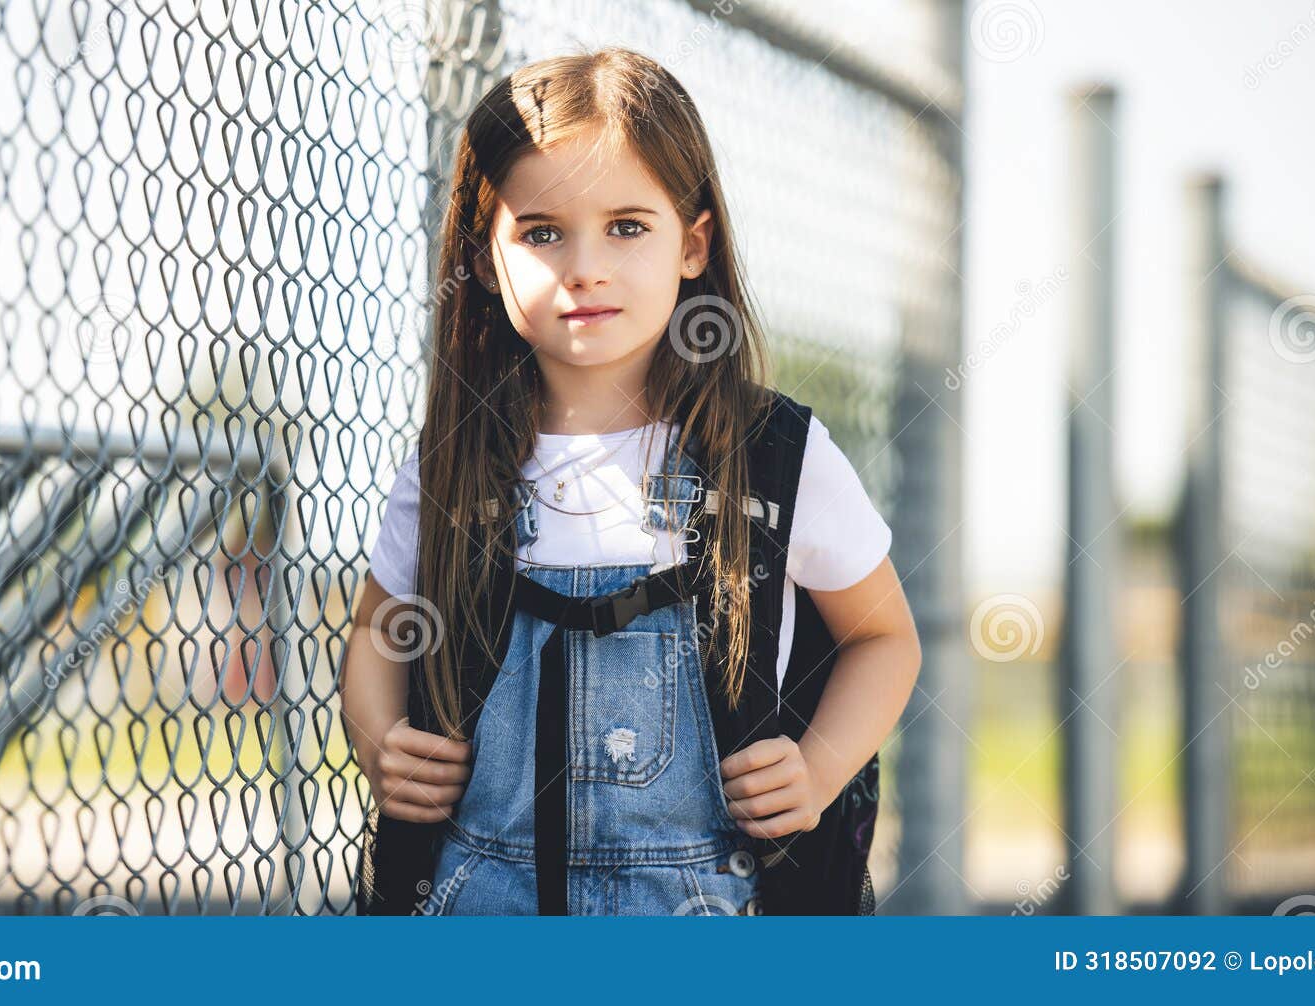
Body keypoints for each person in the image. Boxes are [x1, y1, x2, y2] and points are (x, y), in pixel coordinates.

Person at [339, 46, 921, 916]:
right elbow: (377, 633)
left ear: (692, 246)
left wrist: (820, 766)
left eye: (626, 226)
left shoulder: (773, 454)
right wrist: (380, 737)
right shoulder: (455, 458)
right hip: (479, 901)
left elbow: (886, 640)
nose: (585, 266)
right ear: (488, 259)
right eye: (540, 233)